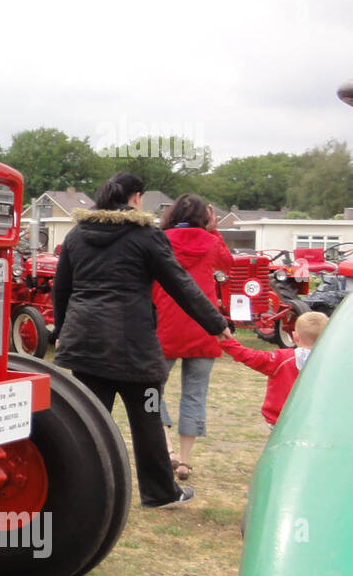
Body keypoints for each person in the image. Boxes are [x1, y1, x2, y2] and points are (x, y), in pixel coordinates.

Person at [53, 173, 228, 507]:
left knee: (89, 421)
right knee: (147, 418)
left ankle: (81, 494)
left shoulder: (76, 236)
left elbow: (62, 289)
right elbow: (179, 283)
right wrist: (215, 322)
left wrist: (61, 332)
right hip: (133, 350)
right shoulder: (146, 236)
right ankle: (160, 493)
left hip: (86, 346)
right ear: (135, 198)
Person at [153, 195, 234, 482]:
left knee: (150, 390)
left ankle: (166, 446)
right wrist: (214, 231)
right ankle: (185, 461)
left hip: (166, 325)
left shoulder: (159, 241)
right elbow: (229, 265)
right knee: (195, 394)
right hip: (203, 326)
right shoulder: (211, 242)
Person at [219, 311, 328, 426]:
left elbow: (251, 357)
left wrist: (228, 343)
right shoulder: (331, 363)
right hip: (317, 420)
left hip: (281, 420)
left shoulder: (282, 359)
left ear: (295, 337)